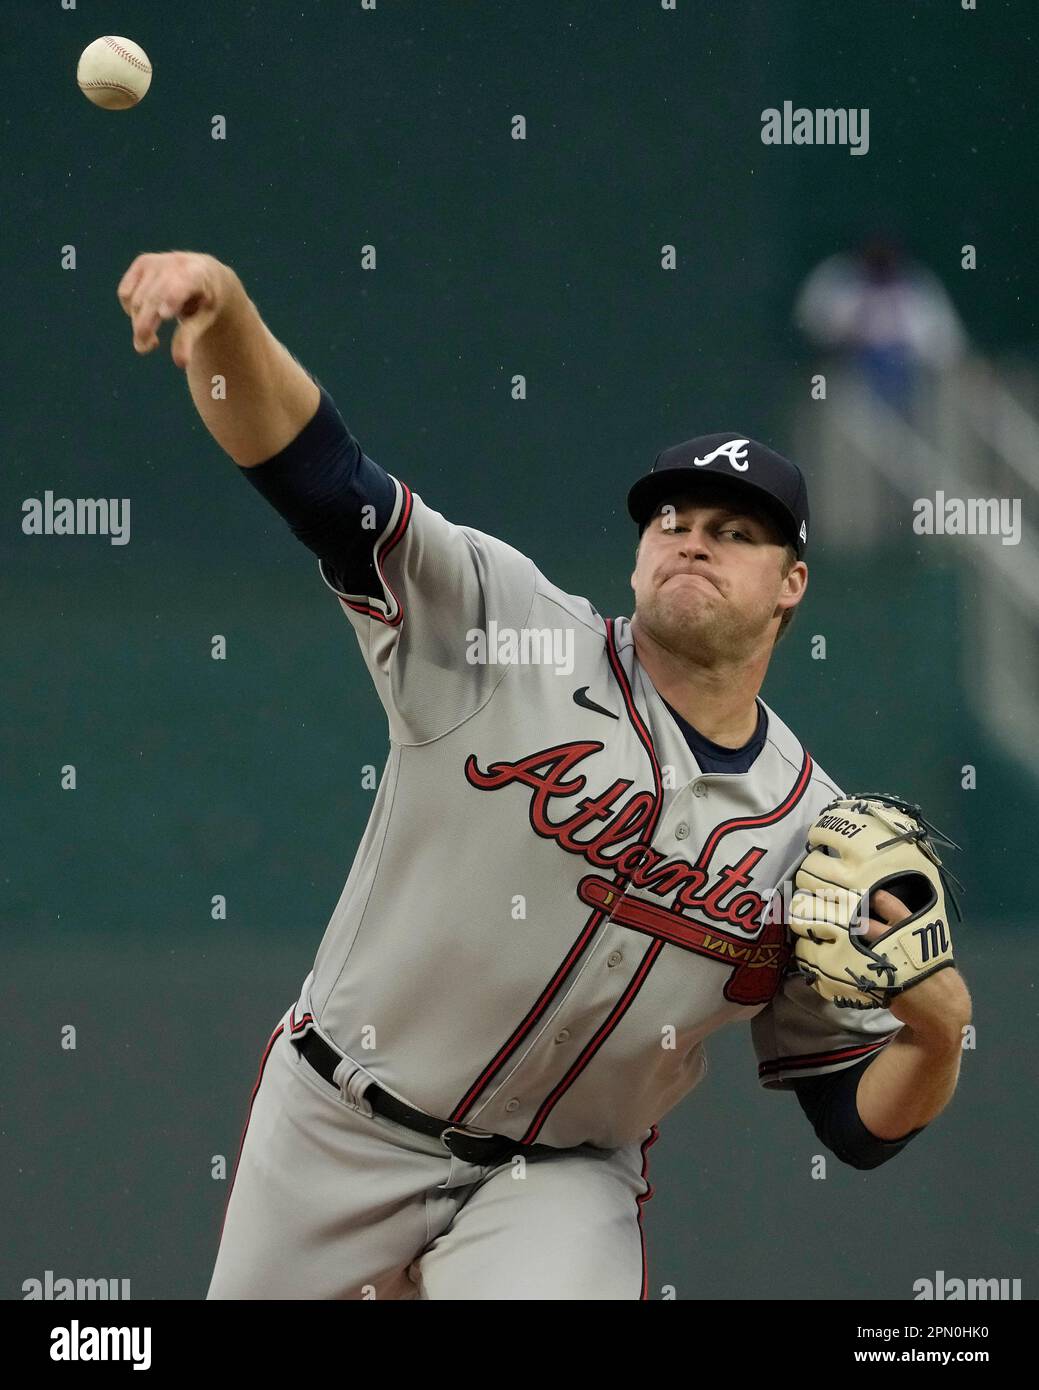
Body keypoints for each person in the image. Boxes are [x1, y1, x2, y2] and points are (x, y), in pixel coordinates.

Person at [118, 251, 973, 1301]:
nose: (692, 542)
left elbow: (851, 1122)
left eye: (734, 532)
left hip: (560, 1177)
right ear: (636, 553)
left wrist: (936, 1032)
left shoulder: (818, 835)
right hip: (340, 1125)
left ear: (791, 584)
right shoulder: (503, 626)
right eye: (674, 520)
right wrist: (231, 315)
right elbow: (321, 477)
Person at [794, 235, 967, 414]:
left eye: (886, 260)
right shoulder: (843, 285)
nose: (881, 267)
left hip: (908, 371)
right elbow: (815, 323)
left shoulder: (917, 291)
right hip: (851, 368)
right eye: (875, 260)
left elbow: (944, 342)